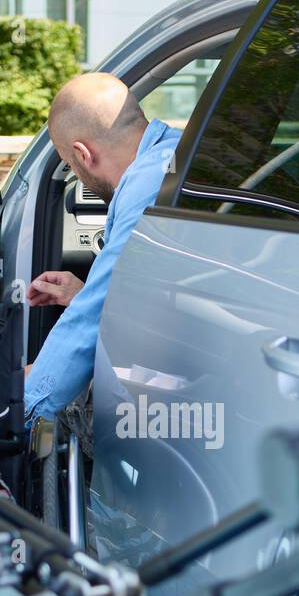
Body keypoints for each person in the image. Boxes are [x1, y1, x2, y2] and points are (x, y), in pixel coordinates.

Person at [23, 73, 181, 425]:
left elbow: (88, 324)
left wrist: (18, 410)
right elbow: (133, 292)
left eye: (70, 164)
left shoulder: (150, 189)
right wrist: (82, 294)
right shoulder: (169, 157)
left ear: (82, 153)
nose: (77, 175)